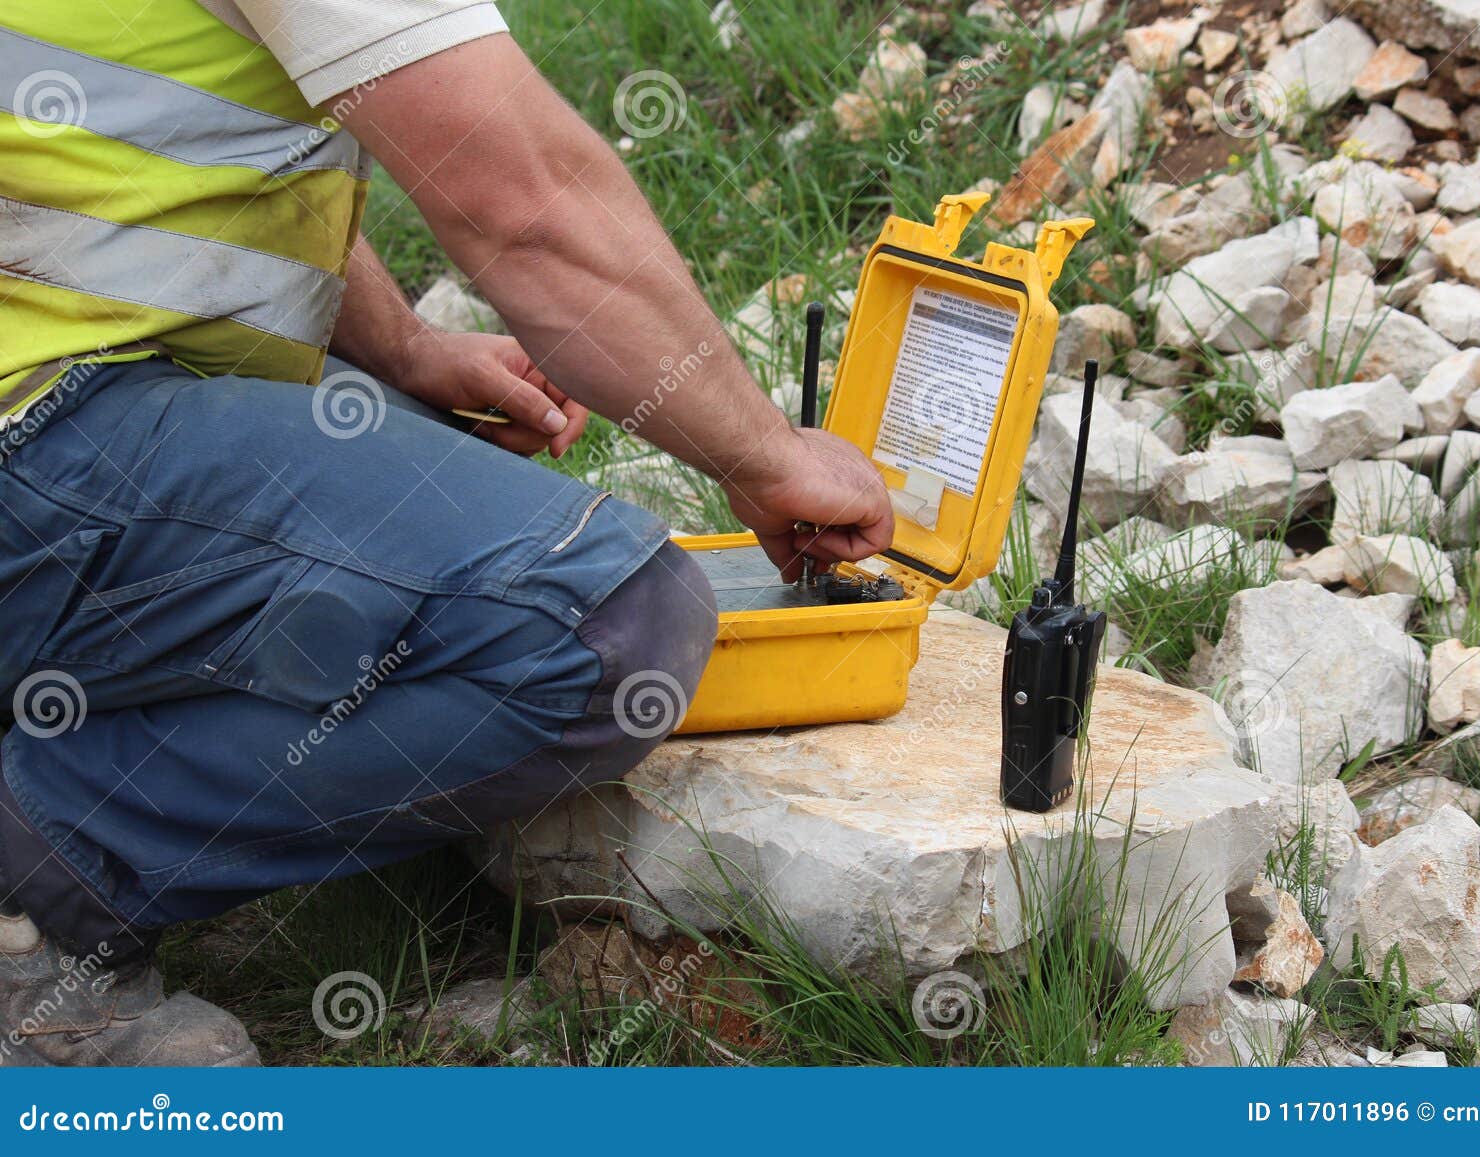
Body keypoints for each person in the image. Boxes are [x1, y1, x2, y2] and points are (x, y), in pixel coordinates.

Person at [0, 0, 893, 1066]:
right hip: (38, 434)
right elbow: (523, 201)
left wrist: (403, 345)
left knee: (422, 478)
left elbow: (226, 147)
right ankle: (44, 869)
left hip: (56, 390)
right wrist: (763, 455)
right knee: (607, 622)